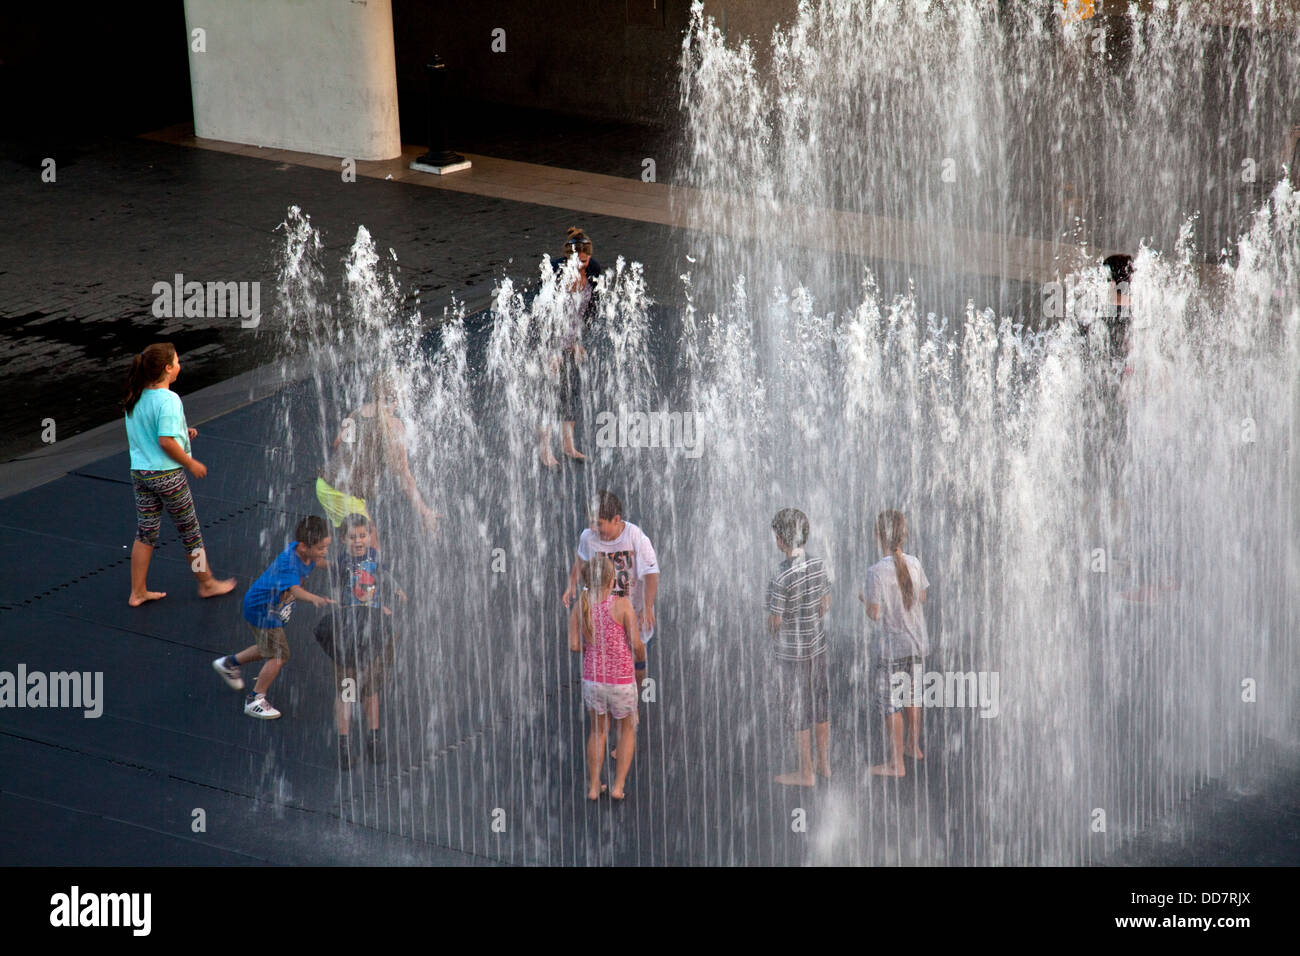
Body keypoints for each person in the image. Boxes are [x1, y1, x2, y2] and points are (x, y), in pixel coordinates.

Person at [122, 342, 236, 606]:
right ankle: (207, 583)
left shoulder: (135, 395)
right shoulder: (169, 399)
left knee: (146, 532)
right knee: (190, 532)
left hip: (140, 473)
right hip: (168, 476)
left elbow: (153, 433)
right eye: (177, 361)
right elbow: (165, 441)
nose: (180, 365)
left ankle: (137, 591)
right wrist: (190, 462)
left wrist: (185, 434)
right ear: (167, 368)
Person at [212, 515, 334, 719]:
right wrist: (315, 599)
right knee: (279, 655)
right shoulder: (289, 563)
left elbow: (320, 561)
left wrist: (337, 565)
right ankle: (255, 699)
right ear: (304, 547)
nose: (324, 552)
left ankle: (229, 664)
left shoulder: (307, 552)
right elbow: (296, 590)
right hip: (261, 610)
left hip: (269, 609)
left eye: (326, 547)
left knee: (266, 647)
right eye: (321, 548)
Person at [313, 514, 405, 767]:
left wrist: (387, 598)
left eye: (363, 536)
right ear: (343, 539)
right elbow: (352, 588)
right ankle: (348, 745)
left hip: (366, 628)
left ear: (370, 536)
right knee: (353, 689)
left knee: (366, 689)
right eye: (353, 537)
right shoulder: (344, 562)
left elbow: (379, 580)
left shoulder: (373, 558)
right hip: (352, 631)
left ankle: (371, 741)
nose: (359, 541)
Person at [316, 372, 440, 545]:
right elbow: (402, 473)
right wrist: (424, 510)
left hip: (325, 484)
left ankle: (349, 565)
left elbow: (337, 443)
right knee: (368, 543)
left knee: (361, 538)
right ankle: (352, 569)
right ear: (397, 398)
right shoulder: (394, 426)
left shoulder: (357, 412)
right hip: (343, 493)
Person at [569, 553, 645, 800]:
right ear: (612, 578)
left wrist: (594, 647)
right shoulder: (621, 604)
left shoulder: (582, 605)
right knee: (626, 730)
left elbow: (574, 645)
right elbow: (636, 644)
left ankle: (593, 786)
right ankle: (618, 786)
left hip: (593, 681)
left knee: (598, 731)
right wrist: (641, 665)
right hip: (621, 681)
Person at [860, 510, 929, 778]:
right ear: (904, 535)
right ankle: (914, 746)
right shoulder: (914, 563)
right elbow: (921, 597)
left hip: (893, 649)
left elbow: (875, 613)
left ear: (878, 536)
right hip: (917, 644)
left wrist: (864, 599)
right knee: (913, 696)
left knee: (892, 704)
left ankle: (896, 764)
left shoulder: (876, 572)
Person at [766, 509, 832, 787]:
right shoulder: (818, 564)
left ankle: (805, 773)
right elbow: (825, 603)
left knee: (798, 709)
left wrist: (774, 627)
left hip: (792, 655)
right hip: (817, 648)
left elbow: (775, 622)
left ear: (781, 540)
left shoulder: (780, 577)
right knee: (820, 704)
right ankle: (823, 765)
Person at [539, 227, 603, 468]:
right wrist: (552, 351)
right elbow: (542, 317)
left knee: (570, 394)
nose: (582, 266)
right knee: (549, 397)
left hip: (571, 342)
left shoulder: (593, 271)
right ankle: (545, 450)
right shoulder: (554, 274)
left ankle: (568, 445)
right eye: (578, 261)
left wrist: (577, 342)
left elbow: (590, 310)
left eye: (585, 261)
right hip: (548, 343)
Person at [561, 489, 658, 645]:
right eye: (591, 523)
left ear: (616, 519)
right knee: (603, 659)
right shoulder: (588, 538)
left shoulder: (636, 537)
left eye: (598, 523)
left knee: (631, 658)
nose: (593, 528)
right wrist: (571, 584)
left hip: (632, 614)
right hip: (602, 615)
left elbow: (651, 574)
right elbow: (581, 560)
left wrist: (647, 608)